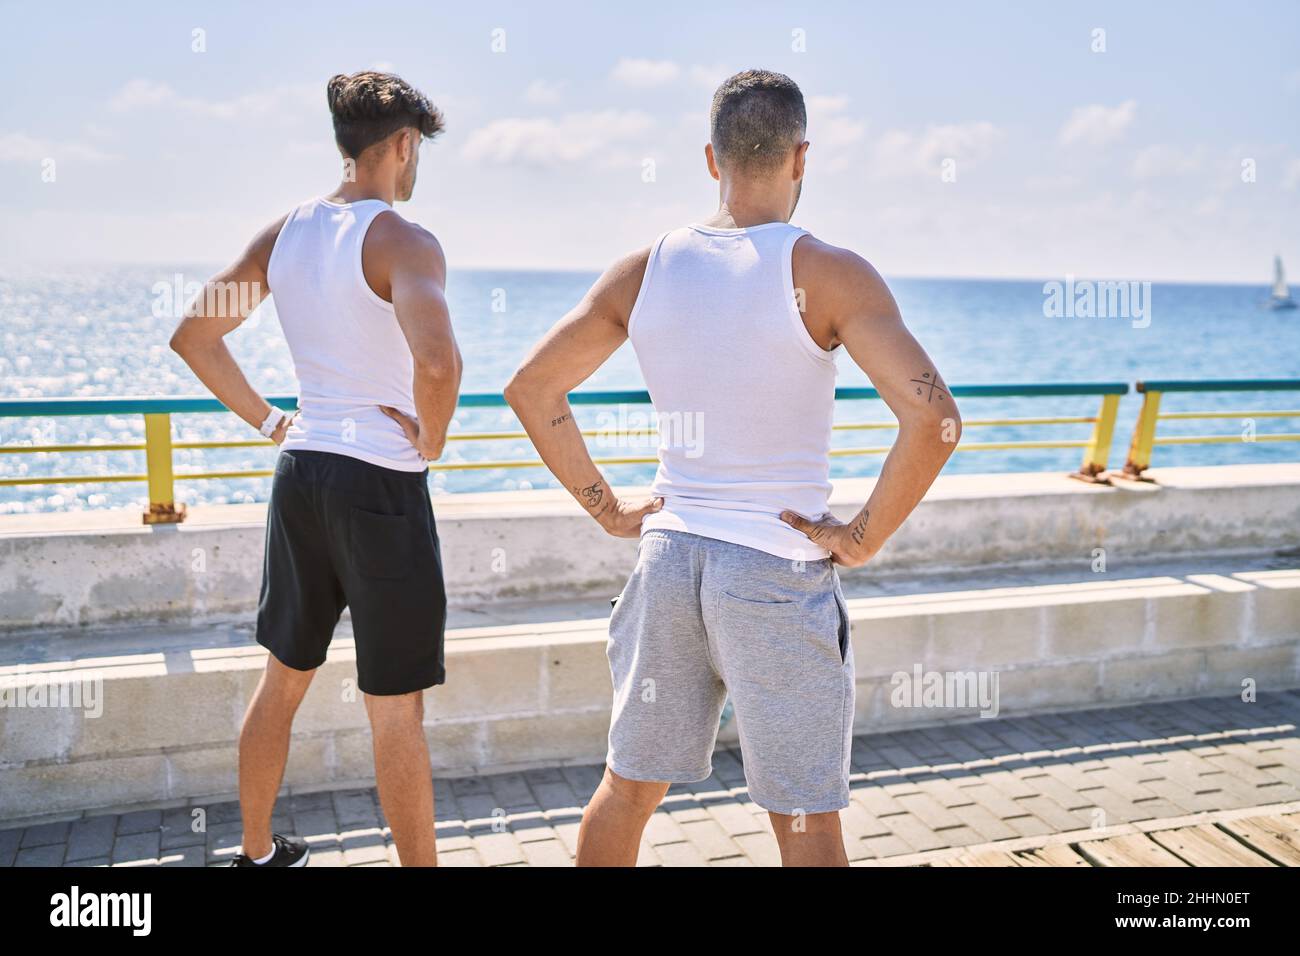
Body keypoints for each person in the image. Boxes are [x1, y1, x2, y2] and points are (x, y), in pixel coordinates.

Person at [504, 69, 961, 867]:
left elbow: (531, 387)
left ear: (711, 159)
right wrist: (860, 537)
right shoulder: (828, 272)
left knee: (626, 789)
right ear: (802, 157)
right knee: (806, 819)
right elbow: (936, 419)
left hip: (668, 559)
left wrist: (608, 511)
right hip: (775, 572)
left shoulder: (645, 268)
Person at [169, 71, 460, 867]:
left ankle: (256, 855)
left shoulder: (284, 233)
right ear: (401, 146)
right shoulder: (406, 240)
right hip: (380, 485)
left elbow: (194, 337)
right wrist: (431, 439)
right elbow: (437, 363)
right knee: (396, 711)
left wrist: (271, 421)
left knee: (283, 678)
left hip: (301, 476)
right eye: (418, 149)